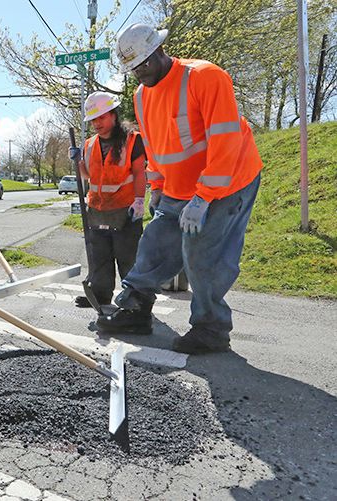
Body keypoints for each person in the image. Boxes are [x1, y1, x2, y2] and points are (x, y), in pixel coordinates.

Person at [97, 24, 263, 354]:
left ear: (159, 51)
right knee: (156, 242)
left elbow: (225, 141)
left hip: (228, 181)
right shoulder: (142, 96)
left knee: (202, 252)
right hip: (178, 186)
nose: (140, 74)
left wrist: (204, 197)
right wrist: (157, 186)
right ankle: (135, 306)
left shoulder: (204, 77)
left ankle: (211, 328)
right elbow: (156, 147)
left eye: (143, 64)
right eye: (133, 69)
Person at [70, 92, 146, 311]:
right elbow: (87, 176)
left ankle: (134, 299)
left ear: (113, 115)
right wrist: (77, 161)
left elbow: (140, 173)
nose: (96, 123)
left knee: (127, 258)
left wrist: (140, 200)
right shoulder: (89, 144)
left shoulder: (133, 140)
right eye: (93, 119)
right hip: (97, 209)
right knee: (99, 257)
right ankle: (100, 296)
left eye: (101, 117)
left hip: (125, 209)